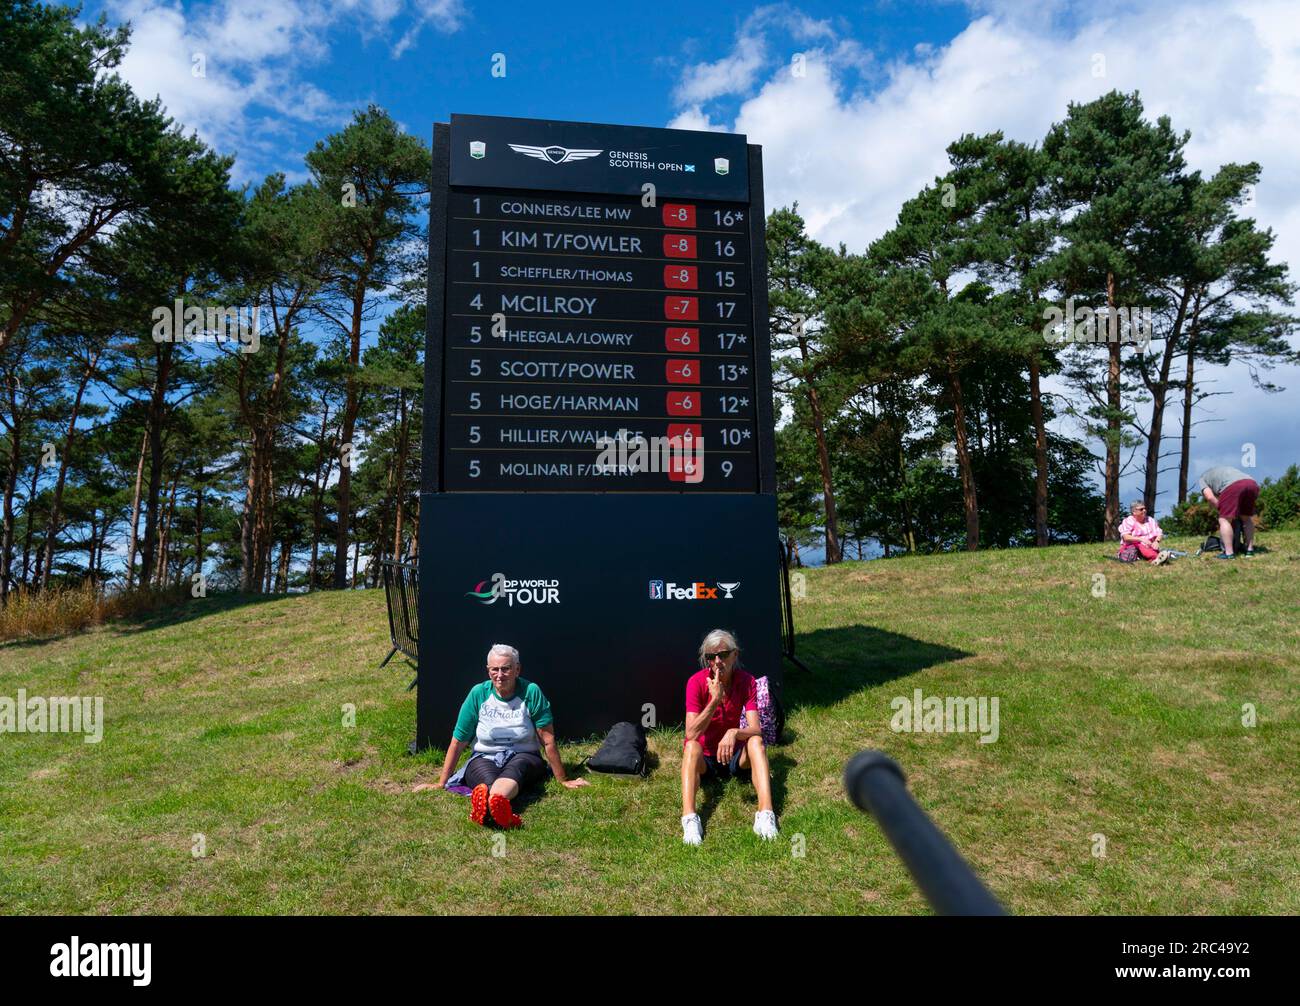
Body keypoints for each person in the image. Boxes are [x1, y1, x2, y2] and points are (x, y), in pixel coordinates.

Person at [415, 643, 587, 827]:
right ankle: (493, 804)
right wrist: (441, 782)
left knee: (516, 769)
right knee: (486, 778)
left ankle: (493, 801)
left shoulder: (531, 691)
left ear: (517, 670)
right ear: (488, 671)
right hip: (484, 756)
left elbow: (548, 740)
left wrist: (563, 779)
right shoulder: (478, 693)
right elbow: (458, 741)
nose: (499, 675)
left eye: (506, 669)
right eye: (494, 669)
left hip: (524, 755)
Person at [680, 629, 778, 845]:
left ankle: (766, 813)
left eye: (723, 655)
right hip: (705, 759)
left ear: (735, 655)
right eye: (711, 657)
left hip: (734, 756)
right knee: (691, 747)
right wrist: (715, 700)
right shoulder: (696, 683)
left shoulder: (746, 681)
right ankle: (689, 818)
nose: (717, 662)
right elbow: (691, 734)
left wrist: (734, 732)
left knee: (756, 742)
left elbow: (755, 729)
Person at [1199, 465, 1259, 558]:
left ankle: (1229, 554)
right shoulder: (1222, 470)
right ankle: (1249, 551)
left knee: (1224, 519)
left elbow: (1210, 497)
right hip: (1252, 484)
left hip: (1232, 486)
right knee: (1246, 518)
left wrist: (1221, 509)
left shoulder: (1202, 479)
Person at [1117, 501, 1170, 565]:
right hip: (1133, 546)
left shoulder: (1150, 520)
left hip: (1149, 546)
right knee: (1141, 547)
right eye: (1141, 509)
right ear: (1134, 512)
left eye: (1145, 508)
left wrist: (1156, 541)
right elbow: (1126, 537)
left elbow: (1159, 532)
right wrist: (1141, 539)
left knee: (1149, 549)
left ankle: (1157, 559)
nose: (1144, 511)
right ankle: (1157, 557)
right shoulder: (1128, 521)